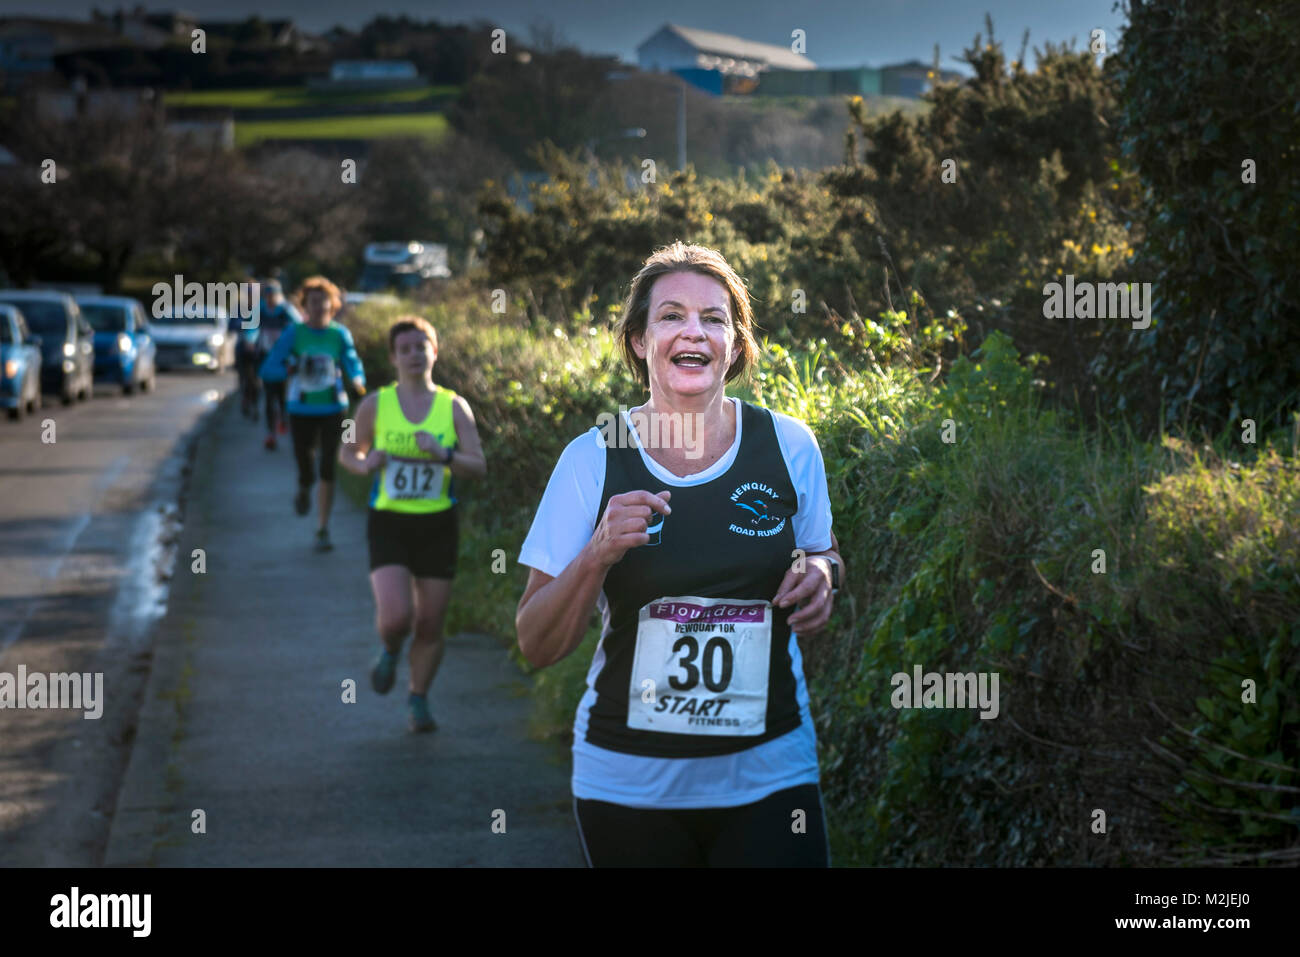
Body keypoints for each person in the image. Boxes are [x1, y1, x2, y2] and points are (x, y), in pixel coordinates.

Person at [516, 241, 845, 867]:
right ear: (640, 341)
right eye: (671, 316)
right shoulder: (593, 457)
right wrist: (596, 556)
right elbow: (536, 644)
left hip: (771, 772)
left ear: (736, 345)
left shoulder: (789, 446)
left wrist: (822, 573)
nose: (693, 330)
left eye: (713, 318)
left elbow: (823, 554)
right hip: (629, 782)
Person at [338, 315, 486, 732]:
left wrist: (444, 455)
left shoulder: (453, 406)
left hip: (438, 524)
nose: (414, 355)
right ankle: (388, 649)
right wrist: (367, 462)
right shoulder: (374, 405)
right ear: (393, 358)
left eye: (421, 347)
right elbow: (347, 453)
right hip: (389, 522)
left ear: (433, 352)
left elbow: (478, 465)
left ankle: (418, 698)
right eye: (405, 349)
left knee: (431, 623)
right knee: (397, 618)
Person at [259, 276, 365, 552]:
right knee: (306, 464)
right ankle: (305, 486)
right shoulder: (294, 333)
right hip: (301, 408)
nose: (319, 307)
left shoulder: (339, 334)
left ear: (333, 305)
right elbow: (269, 368)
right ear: (305, 306)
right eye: (313, 302)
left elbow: (352, 362)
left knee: (328, 466)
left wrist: (356, 381)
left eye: (324, 301)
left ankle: (322, 528)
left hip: (333, 407)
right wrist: (290, 369)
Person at [255, 279, 302, 450]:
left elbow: (299, 327)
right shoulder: (260, 309)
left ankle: (283, 419)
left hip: (284, 361)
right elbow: (250, 328)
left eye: (273, 295)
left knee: (283, 398)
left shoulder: (286, 310)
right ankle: (270, 433)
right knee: (269, 398)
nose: (270, 299)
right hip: (267, 359)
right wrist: (249, 340)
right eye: (267, 295)